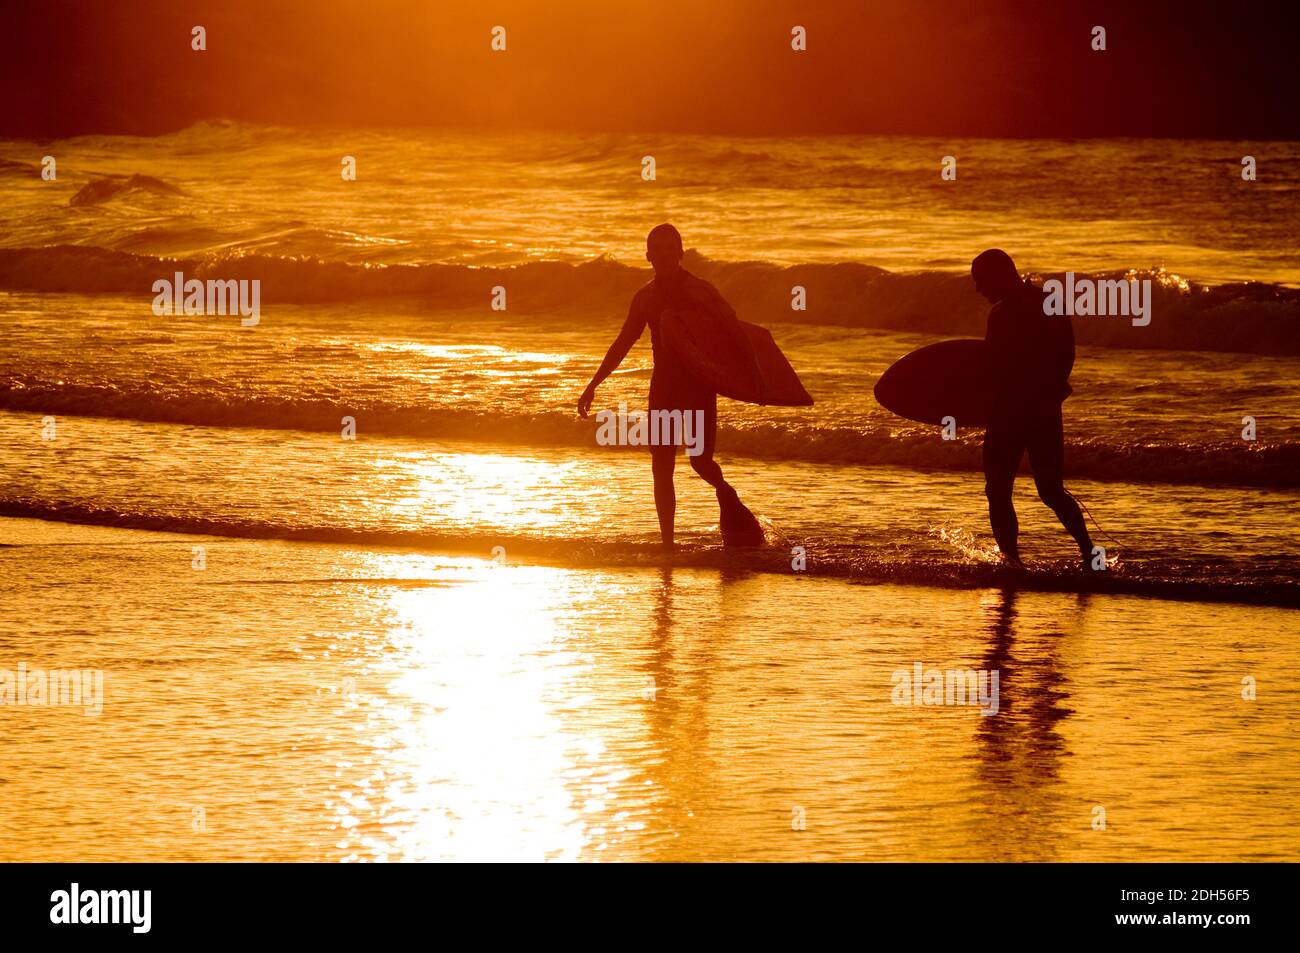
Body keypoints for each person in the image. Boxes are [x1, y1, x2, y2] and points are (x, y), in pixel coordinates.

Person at [578, 224, 762, 549]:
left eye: (669, 248)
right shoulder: (645, 298)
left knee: (700, 462)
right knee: (661, 467)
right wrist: (594, 383)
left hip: (698, 388)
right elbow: (623, 342)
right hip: (663, 390)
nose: (663, 255)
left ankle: (726, 494)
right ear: (648, 256)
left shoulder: (701, 291)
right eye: (656, 249)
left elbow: (734, 331)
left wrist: (755, 377)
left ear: (680, 252)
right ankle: (667, 546)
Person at [971, 249, 1096, 570]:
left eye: (981, 281)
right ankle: (1014, 562)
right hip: (1019, 410)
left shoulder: (1043, 304)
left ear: (1000, 274)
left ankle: (1088, 554)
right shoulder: (1002, 313)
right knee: (1003, 490)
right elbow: (990, 368)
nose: (978, 289)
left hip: (1031, 410)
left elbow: (1064, 354)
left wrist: (1048, 393)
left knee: (1045, 490)